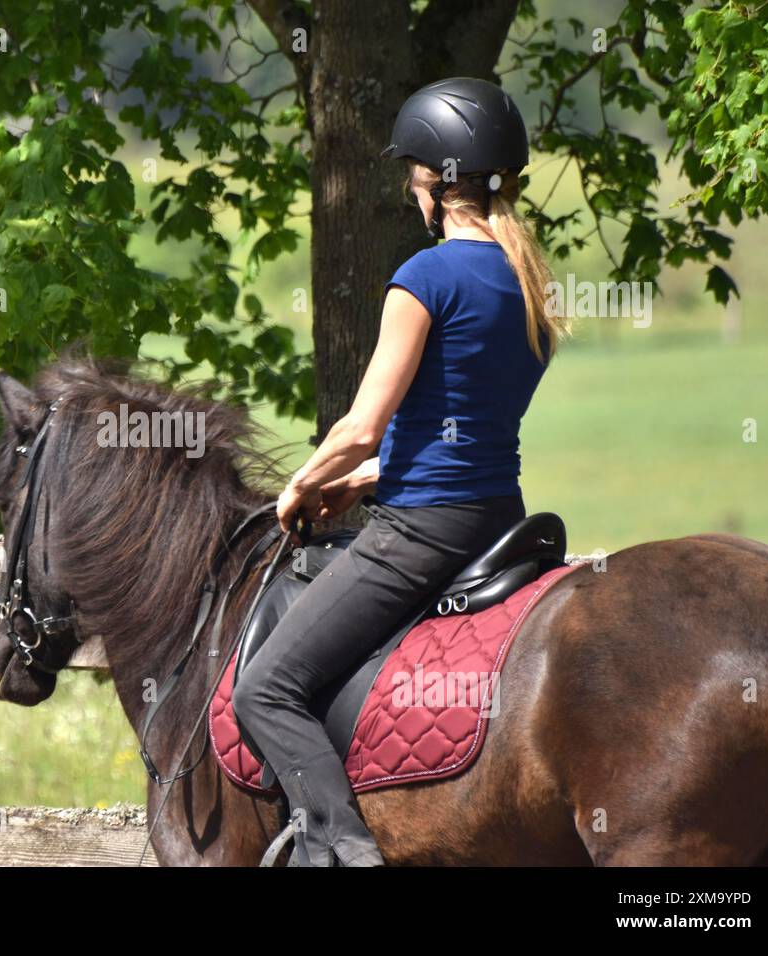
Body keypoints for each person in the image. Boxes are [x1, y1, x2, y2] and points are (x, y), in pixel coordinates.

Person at [231, 77, 569, 867]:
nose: (408, 184)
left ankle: (341, 849)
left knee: (266, 690)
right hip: (497, 518)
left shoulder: (425, 278)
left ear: (440, 180)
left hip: (420, 533)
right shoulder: (528, 287)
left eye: (413, 170)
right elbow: (468, 433)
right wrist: (371, 479)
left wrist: (303, 484)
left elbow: (360, 425)